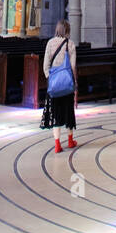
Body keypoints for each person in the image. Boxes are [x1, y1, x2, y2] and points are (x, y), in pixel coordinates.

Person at [41, 19, 77, 153]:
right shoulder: (70, 44)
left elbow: (46, 66)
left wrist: (51, 79)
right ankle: (70, 140)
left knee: (56, 114)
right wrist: (74, 82)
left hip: (54, 85)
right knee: (68, 112)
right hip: (67, 84)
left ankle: (57, 144)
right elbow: (73, 66)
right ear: (68, 30)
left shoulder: (50, 43)